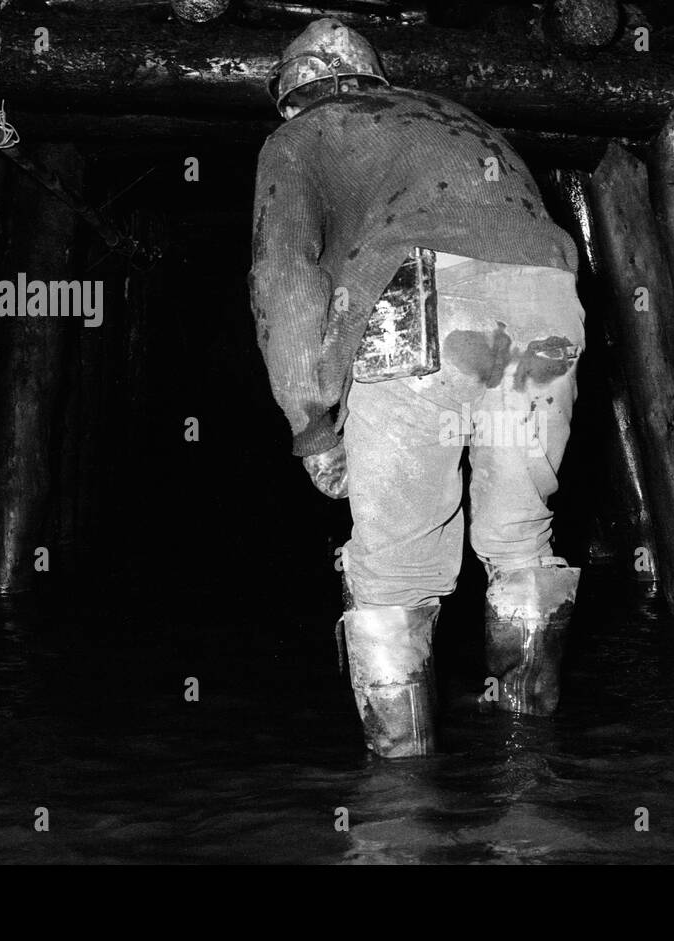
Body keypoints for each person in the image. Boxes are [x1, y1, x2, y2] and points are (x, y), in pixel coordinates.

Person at [249, 18, 585, 757]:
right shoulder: (459, 120)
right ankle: (529, 770)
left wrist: (311, 421)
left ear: (291, 88)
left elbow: (286, 281)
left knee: (394, 564)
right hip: (548, 301)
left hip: (423, 300)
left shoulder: (302, 136)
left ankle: (399, 799)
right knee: (519, 535)